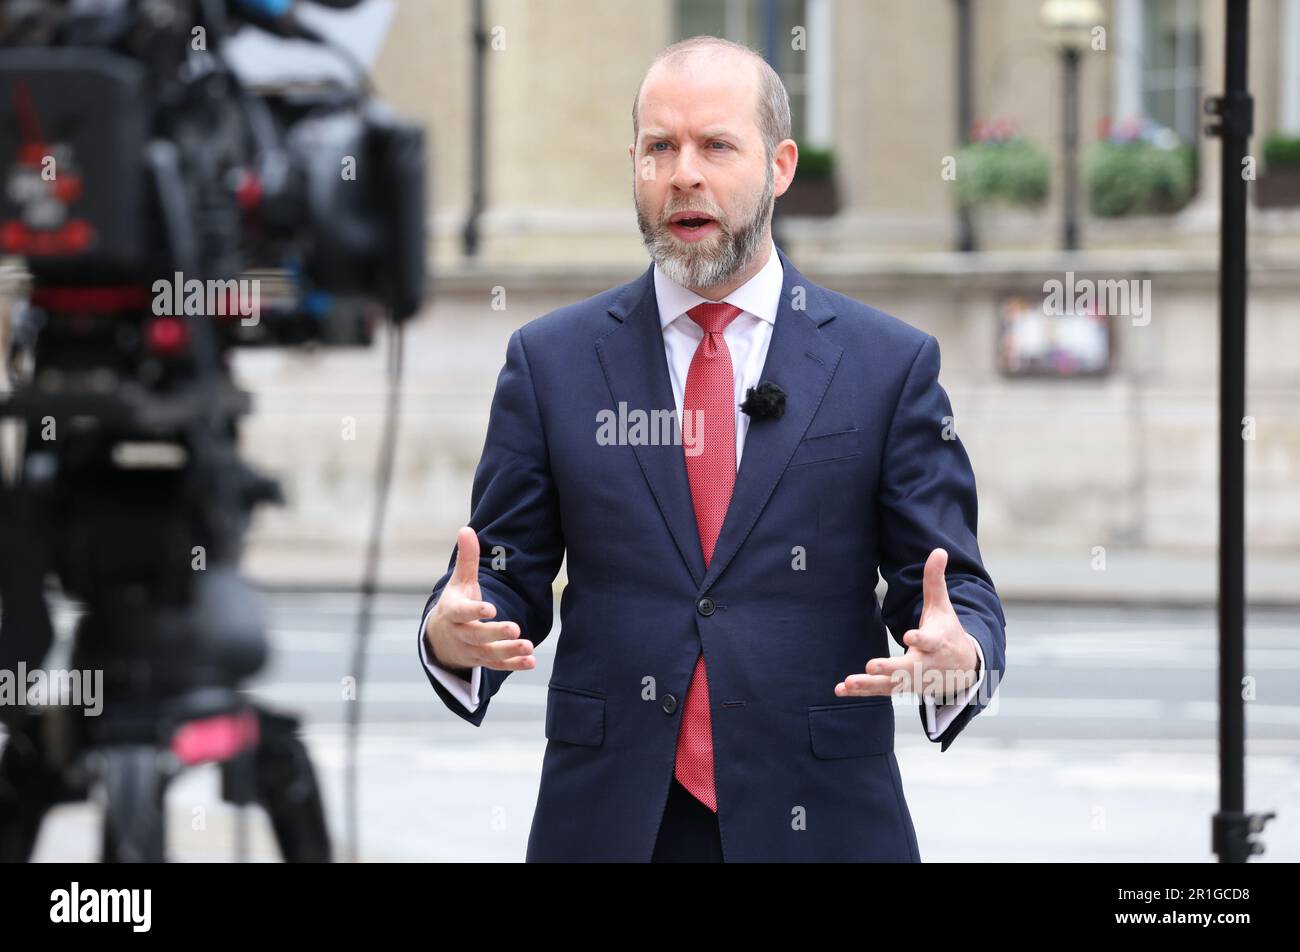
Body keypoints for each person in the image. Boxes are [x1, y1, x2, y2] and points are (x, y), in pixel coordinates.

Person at [418, 35, 1006, 862]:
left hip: (823, 821)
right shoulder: (550, 362)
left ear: (781, 165)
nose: (683, 173)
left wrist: (959, 655)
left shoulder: (887, 365)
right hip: (614, 822)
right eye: (660, 147)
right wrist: (454, 632)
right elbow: (501, 575)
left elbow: (949, 590)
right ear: (634, 164)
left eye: (716, 145)